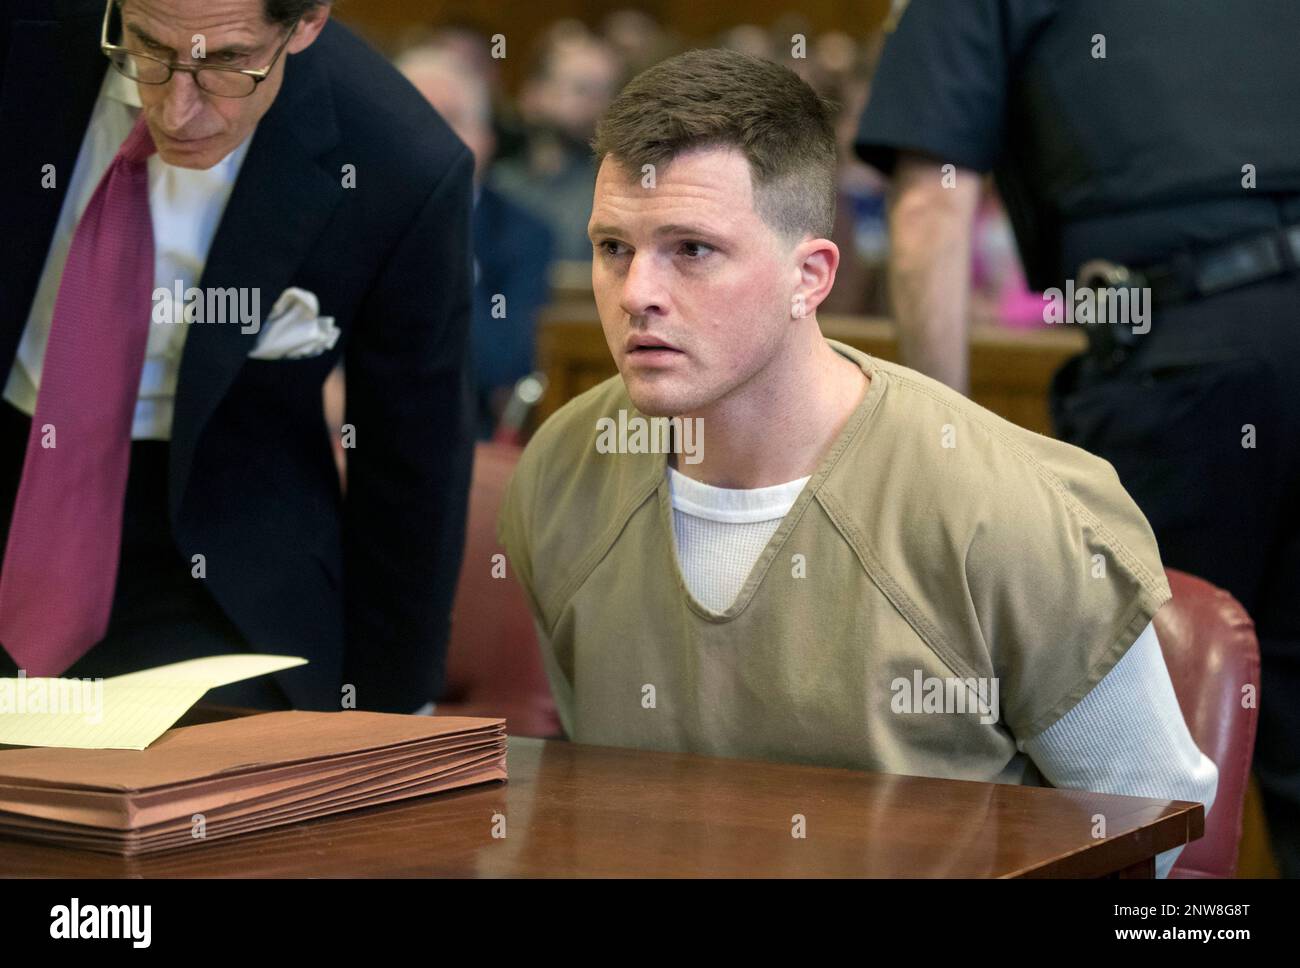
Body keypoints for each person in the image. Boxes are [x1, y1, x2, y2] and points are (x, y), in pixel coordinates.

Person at [498, 48, 1217, 877]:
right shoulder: (560, 469)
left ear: (811, 276)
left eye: (690, 249)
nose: (635, 293)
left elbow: (1153, 836)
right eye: (614, 246)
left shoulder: (1007, 509)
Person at [855, 0, 1300, 876]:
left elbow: (930, 214)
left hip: (1190, 357)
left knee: (1125, 756)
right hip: (1214, 341)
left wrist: (946, 455)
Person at [0, 0, 476, 712]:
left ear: (306, 22)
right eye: (147, 48)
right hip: (16, 466)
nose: (175, 110)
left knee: (199, 796)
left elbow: (412, 459)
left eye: (225, 64)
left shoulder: (397, 163)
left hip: (212, 549)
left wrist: (393, 712)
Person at [398, 41, 554, 439]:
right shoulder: (340, 215)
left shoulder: (523, 233)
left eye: (449, 119)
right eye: (410, 117)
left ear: (485, 139)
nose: (427, 137)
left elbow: (506, 363)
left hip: (465, 436)